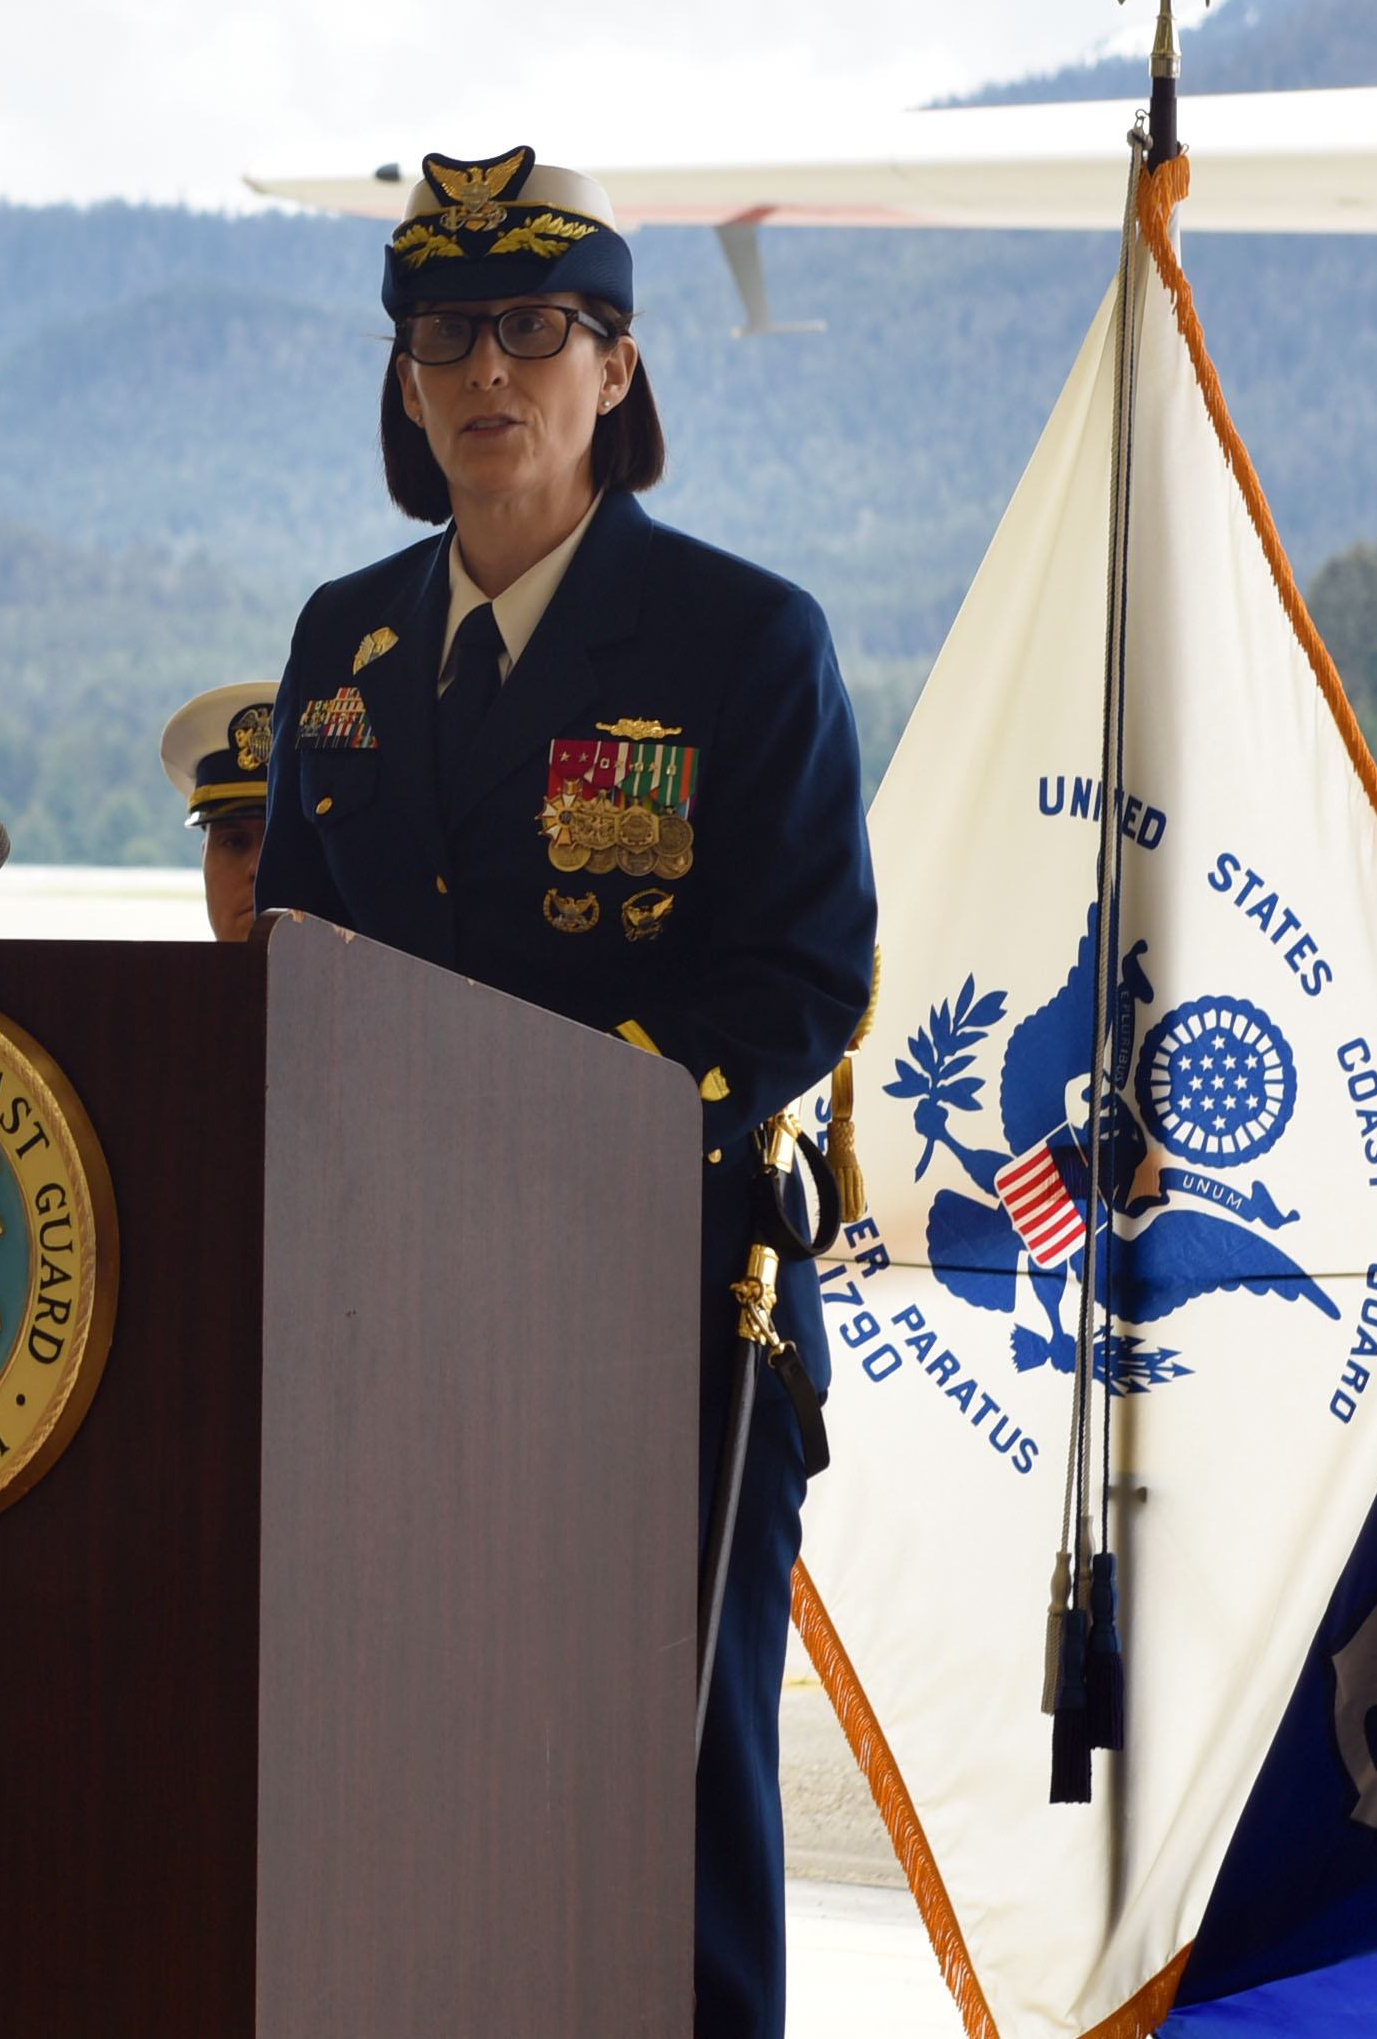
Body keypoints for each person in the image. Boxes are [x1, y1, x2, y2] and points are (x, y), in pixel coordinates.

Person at [250, 148, 872, 2039]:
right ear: (403, 375)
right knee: (402, 1800)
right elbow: (290, 953)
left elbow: (801, 976)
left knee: (670, 1816)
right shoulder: (344, 647)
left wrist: (550, 1133)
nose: (484, 370)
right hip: (387, 1327)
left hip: (659, 1306)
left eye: (535, 328)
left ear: (616, 367)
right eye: (446, 333)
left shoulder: (740, 642)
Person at [157, 680, 279, 941]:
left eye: (280, 844)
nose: (257, 869)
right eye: (235, 842)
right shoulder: (161, 981)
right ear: (204, 859)